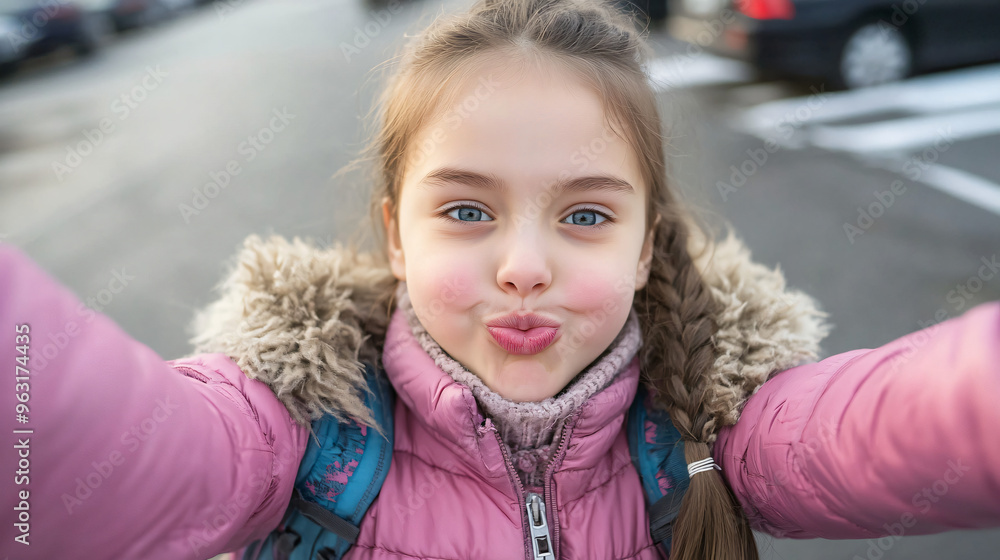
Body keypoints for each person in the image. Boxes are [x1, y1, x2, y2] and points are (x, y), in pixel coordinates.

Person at [2, 0, 999, 558]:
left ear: (646, 245)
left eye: (586, 215)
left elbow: (896, 423)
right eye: (467, 209)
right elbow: (97, 452)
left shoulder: (709, 422)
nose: (523, 267)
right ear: (397, 235)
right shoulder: (296, 432)